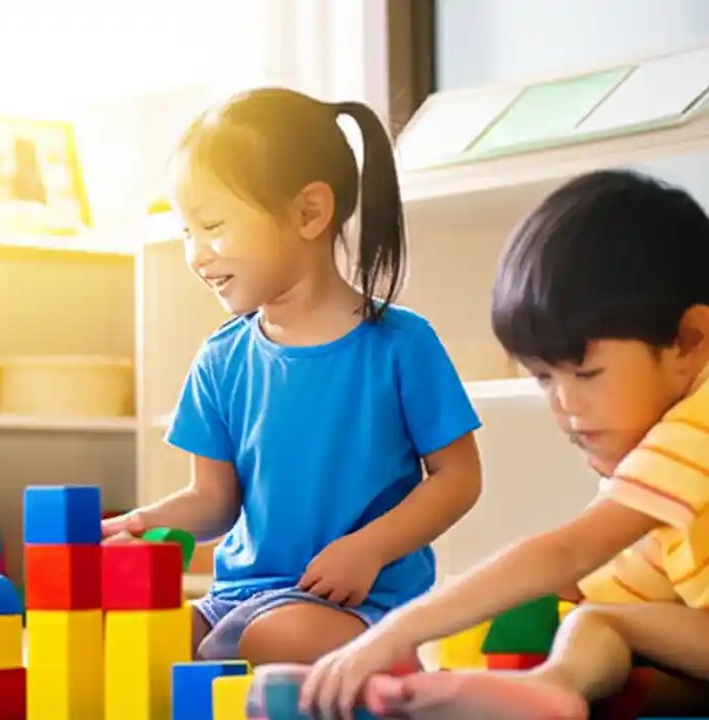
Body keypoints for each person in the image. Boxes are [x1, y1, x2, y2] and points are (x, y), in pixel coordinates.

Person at [297, 169, 709, 720]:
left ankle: (553, 686)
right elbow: (591, 581)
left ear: (689, 341)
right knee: (583, 626)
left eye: (586, 374)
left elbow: (567, 553)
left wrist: (396, 631)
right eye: (543, 378)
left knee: (595, 626)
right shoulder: (662, 460)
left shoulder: (697, 424)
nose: (564, 404)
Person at [100, 87, 483, 665]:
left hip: (359, 603)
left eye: (213, 225)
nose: (198, 255)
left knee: (272, 643)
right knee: (133, 645)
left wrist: (369, 549)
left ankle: (397, 665)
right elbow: (214, 500)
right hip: (237, 598)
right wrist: (147, 521)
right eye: (186, 233)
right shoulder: (221, 359)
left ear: (309, 213)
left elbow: (458, 478)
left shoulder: (402, 346)